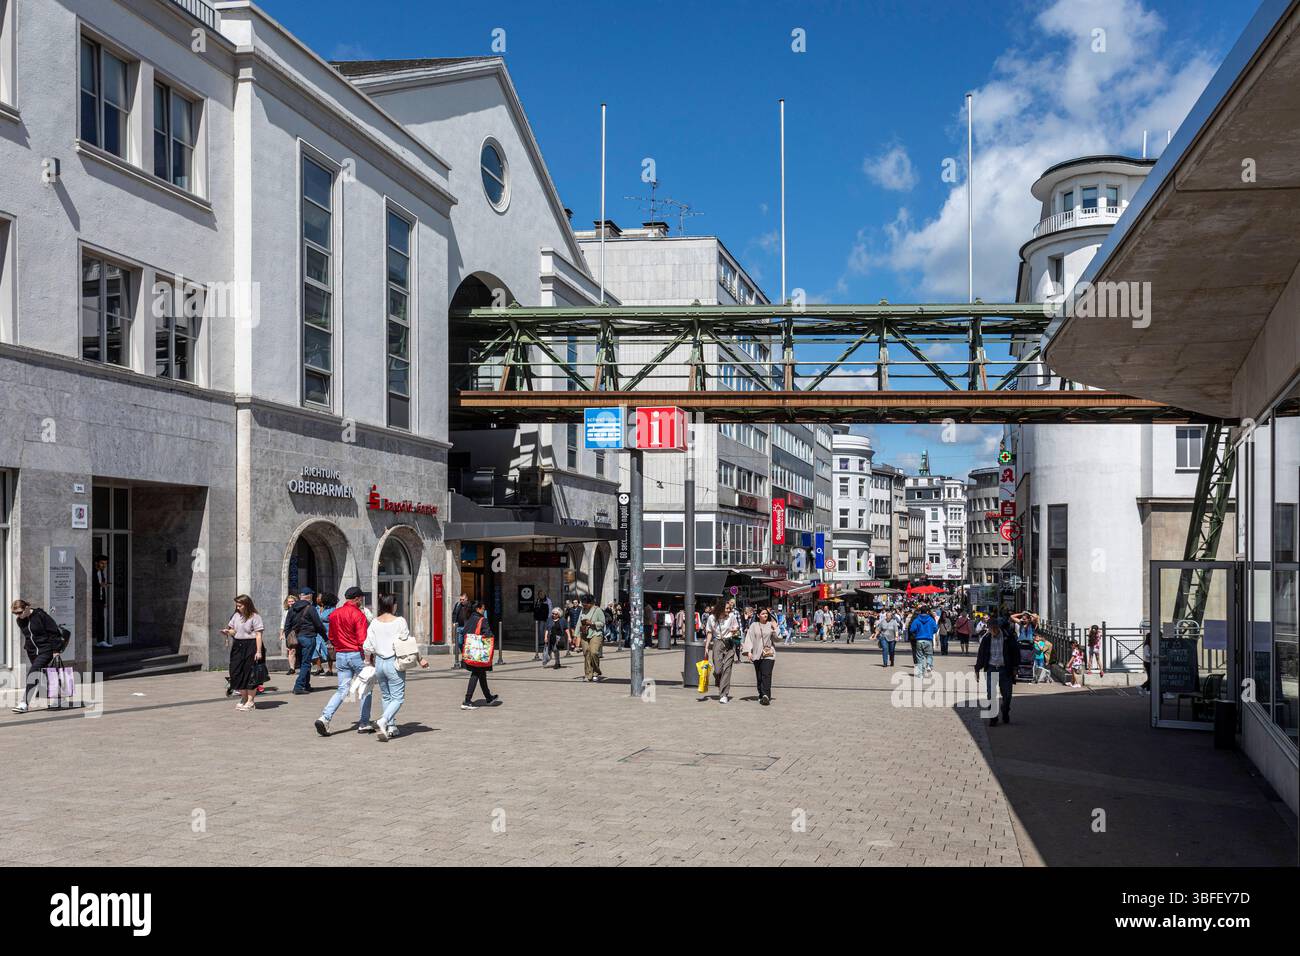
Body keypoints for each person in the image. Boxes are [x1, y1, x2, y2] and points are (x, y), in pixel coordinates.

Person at [363, 593, 428, 741]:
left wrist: (368, 662)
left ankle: (391, 727)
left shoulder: (374, 622)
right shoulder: (400, 621)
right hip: (395, 662)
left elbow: (367, 646)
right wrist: (420, 658)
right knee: (398, 698)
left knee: (386, 696)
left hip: (379, 662)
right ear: (392, 605)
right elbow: (407, 643)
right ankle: (383, 721)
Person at [314, 587, 375, 735]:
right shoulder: (358, 615)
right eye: (361, 599)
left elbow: (332, 636)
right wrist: (370, 658)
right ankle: (364, 723)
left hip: (341, 654)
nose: (362, 601)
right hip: (357, 654)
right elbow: (362, 640)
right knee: (366, 687)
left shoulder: (334, 614)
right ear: (357, 598)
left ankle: (325, 717)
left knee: (342, 689)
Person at [10, 600, 65, 714]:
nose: (18, 615)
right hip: (32, 652)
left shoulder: (40, 615)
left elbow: (54, 632)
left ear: (26, 608)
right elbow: (28, 636)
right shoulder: (20, 621)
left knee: (33, 674)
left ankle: (24, 703)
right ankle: (59, 699)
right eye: (15, 613)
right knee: (45, 674)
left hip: (46, 650)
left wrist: (56, 650)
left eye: (19, 612)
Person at [221, 595, 266, 712]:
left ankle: (250, 701)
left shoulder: (255, 617)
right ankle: (243, 697)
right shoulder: (236, 616)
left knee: (250, 674)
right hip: (238, 645)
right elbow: (233, 631)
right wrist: (227, 631)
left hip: (251, 645)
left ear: (247, 605)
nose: (237, 607)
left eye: (240, 605)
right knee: (236, 672)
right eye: (237, 605)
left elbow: (258, 635)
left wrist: (258, 651)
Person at [975, 618, 1019, 726]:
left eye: (994, 628)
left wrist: (1015, 668)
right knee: (991, 694)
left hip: (1005, 669)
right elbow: (981, 654)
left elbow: (1015, 653)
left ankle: (1005, 710)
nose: (992, 631)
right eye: (990, 629)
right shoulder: (986, 638)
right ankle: (993, 717)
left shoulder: (1008, 638)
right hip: (991, 668)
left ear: (998, 627)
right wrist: (977, 669)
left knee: (1007, 695)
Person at [286, 587, 326, 695]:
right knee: (306, 663)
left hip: (296, 639)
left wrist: (288, 642)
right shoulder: (310, 608)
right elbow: (318, 625)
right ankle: (298, 686)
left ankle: (306, 685)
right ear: (309, 596)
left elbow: (287, 626)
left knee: (304, 662)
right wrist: (326, 638)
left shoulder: (292, 608)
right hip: (308, 637)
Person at [461, 600, 500, 709]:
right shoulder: (482, 620)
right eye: (483, 608)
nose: (484, 610)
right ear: (478, 609)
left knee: (481, 673)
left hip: (470, 651)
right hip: (479, 653)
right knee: (476, 674)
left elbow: (464, 632)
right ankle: (467, 701)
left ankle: (488, 697)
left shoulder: (469, 618)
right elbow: (487, 634)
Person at [741, 606, 778, 705]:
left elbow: (778, 638)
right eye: (763, 613)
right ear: (758, 615)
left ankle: (766, 695)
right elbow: (749, 638)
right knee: (759, 676)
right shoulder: (754, 625)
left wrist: (775, 628)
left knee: (766, 674)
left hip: (769, 653)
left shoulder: (771, 625)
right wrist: (748, 651)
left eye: (766, 613)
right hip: (757, 654)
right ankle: (761, 694)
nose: (765, 615)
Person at [709, 599, 741, 704]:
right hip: (718, 642)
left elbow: (737, 626)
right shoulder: (712, 618)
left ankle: (723, 694)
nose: (729, 610)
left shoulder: (731, 616)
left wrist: (734, 630)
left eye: (730, 608)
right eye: (727, 608)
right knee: (718, 670)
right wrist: (706, 647)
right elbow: (709, 632)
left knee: (727, 669)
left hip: (729, 642)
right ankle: (718, 677)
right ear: (720, 608)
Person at [578, 593, 606, 682]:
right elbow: (579, 622)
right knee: (586, 653)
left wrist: (593, 623)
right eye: (582, 603)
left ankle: (596, 672)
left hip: (596, 634)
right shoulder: (582, 610)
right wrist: (576, 636)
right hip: (584, 634)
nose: (584, 605)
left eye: (585, 604)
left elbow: (602, 623)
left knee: (593, 652)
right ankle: (588, 674)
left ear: (591, 603)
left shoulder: (598, 610)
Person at [908, 602, 938, 679]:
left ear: (920, 612)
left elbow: (912, 629)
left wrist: (918, 631)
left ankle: (920, 674)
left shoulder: (917, 620)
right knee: (929, 654)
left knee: (919, 657)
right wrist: (930, 631)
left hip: (919, 640)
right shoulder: (931, 619)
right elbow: (935, 629)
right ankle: (928, 664)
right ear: (927, 612)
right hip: (928, 639)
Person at [314, 592, 338, 677]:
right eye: (317, 597)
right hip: (317, 633)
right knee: (316, 650)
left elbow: (334, 622)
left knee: (328, 651)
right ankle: (319, 668)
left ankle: (330, 669)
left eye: (320, 597)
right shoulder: (315, 608)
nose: (318, 599)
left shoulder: (332, 609)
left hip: (327, 633)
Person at [93, 556, 110, 649]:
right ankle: (92, 639)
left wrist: (104, 601)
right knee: (94, 619)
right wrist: (99, 585)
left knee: (101, 620)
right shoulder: (92, 572)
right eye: (102, 563)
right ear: (96, 563)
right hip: (93, 600)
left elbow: (102, 589)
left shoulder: (101, 573)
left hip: (100, 600)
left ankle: (101, 641)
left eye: (105, 563)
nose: (104, 565)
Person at [451, 593, 471, 669]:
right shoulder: (457, 605)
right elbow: (454, 614)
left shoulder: (469, 606)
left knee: (466, 644)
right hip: (459, 627)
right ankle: (464, 655)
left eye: (463, 599)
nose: (461, 601)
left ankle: (465, 658)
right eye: (460, 599)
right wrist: (454, 622)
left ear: (466, 599)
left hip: (467, 627)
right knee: (459, 643)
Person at [279, 593, 297, 675]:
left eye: (292, 601)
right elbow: (283, 623)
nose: (290, 603)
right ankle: (292, 668)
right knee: (291, 650)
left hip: (298, 631)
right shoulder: (286, 611)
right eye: (289, 601)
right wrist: (281, 634)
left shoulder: (298, 610)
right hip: (289, 633)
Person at [533, 591, 551, 658]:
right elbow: (536, 609)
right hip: (540, 618)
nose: (541, 595)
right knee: (540, 630)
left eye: (542, 594)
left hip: (546, 618)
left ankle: (545, 642)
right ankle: (541, 642)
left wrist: (549, 618)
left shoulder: (548, 600)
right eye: (539, 594)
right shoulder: (538, 600)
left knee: (545, 630)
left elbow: (550, 609)